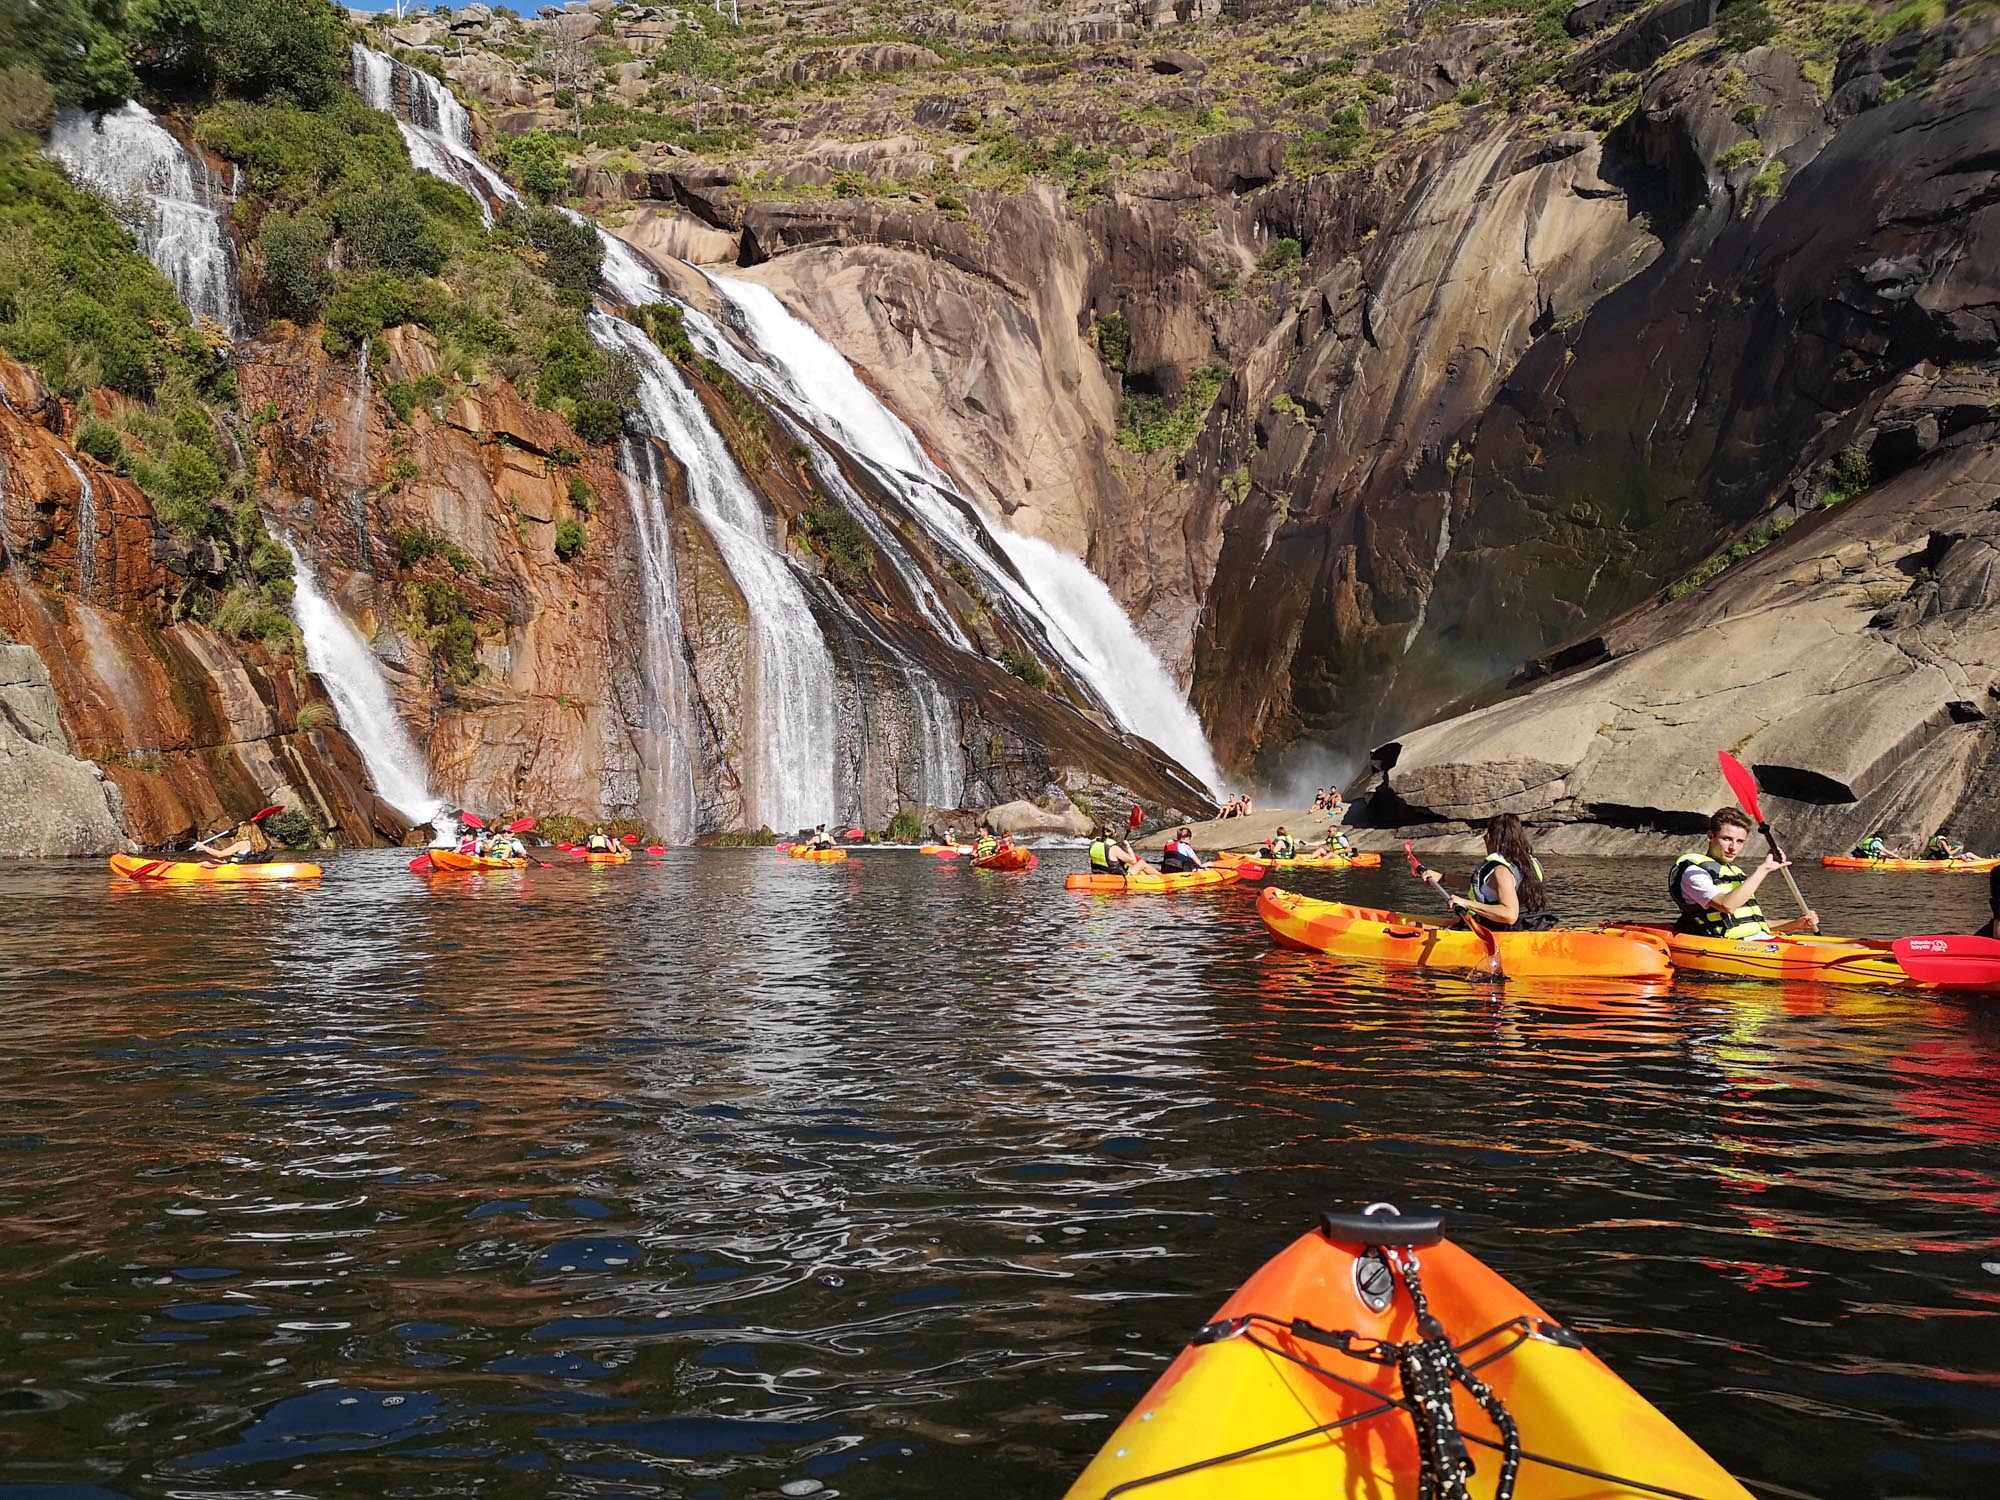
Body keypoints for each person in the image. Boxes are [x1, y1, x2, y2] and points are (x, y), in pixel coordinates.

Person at [1670, 806, 1818, 939]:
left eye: (1740, 841)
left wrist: (1797, 924)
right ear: (1710, 836)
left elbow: (1753, 924)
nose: (1733, 847)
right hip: (1725, 945)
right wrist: (1764, 869)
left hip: (1758, 942)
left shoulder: (1735, 872)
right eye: (1727, 839)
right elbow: (1728, 906)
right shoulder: (1694, 873)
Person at [1417, 813, 1556, 932]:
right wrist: (1443, 878)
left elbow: (1509, 915)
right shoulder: (1530, 863)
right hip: (1534, 926)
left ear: (1490, 838)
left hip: (1503, 932)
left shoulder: (1501, 871)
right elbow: (1488, 886)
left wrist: (1466, 903)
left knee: (1414, 926)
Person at [194, 819, 267, 864]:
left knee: (205, 863)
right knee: (217, 861)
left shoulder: (241, 844)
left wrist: (203, 847)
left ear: (242, 831)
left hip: (239, 868)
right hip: (248, 865)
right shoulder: (259, 843)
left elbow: (220, 854)